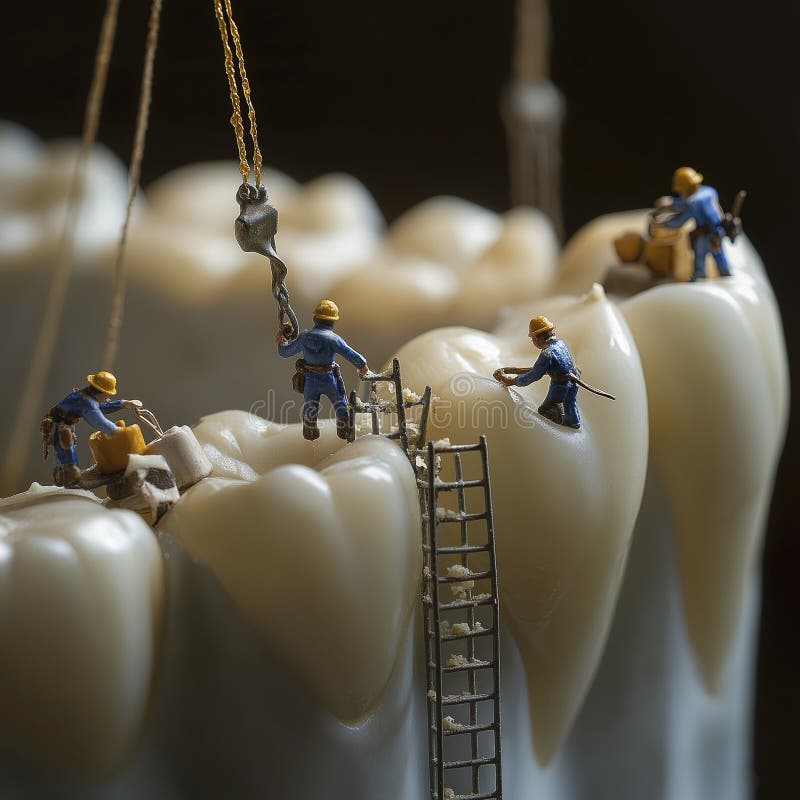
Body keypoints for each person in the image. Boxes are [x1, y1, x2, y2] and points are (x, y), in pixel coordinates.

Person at [277, 300, 369, 441]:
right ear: (333, 322)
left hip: (310, 380)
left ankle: (310, 432)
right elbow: (350, 354)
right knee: (340, 405)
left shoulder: (304, 337)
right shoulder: (334, 339)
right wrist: (362, 366)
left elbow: (285, 352)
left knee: (310, 407)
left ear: (315, 318)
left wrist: (281, 341)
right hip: (328, 378)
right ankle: (344, 432)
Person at [42, 371, 143, 487]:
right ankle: (70, 478)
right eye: (107, 395)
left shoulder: (86, 396)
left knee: (66, 447)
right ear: (101, 392)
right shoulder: (87, 403)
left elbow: (102, 407)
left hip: (62, 423)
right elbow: (98, 420)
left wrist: (124, 403)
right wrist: (115, 430)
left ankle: (63, 474)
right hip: (59, 425)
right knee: (66, 448)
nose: (107, 398)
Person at [495, 315, 582, 428]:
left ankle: (557, 431)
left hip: (561, 386)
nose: (533, 341)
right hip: (574, 379)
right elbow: (547, 369)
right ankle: (573, 424)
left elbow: (534, 375)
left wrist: (511, 381)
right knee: (570, 403)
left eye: (532, 339)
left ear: (537, 337)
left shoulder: (547, 353)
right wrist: (515, 370)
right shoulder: (561, 343)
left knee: (545, 411)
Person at [657, 166, 732, 282]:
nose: (680, 194)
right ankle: (726, 275)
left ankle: (700, 277)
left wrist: (663, 224)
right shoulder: (709, 191)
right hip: (718, 231)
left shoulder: (694, 203)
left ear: (685, 189)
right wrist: (671, 203)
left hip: (706, 234)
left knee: (700, 258)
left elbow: (680, 220)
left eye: (681, 191)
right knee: (720, 258)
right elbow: (686, 202)